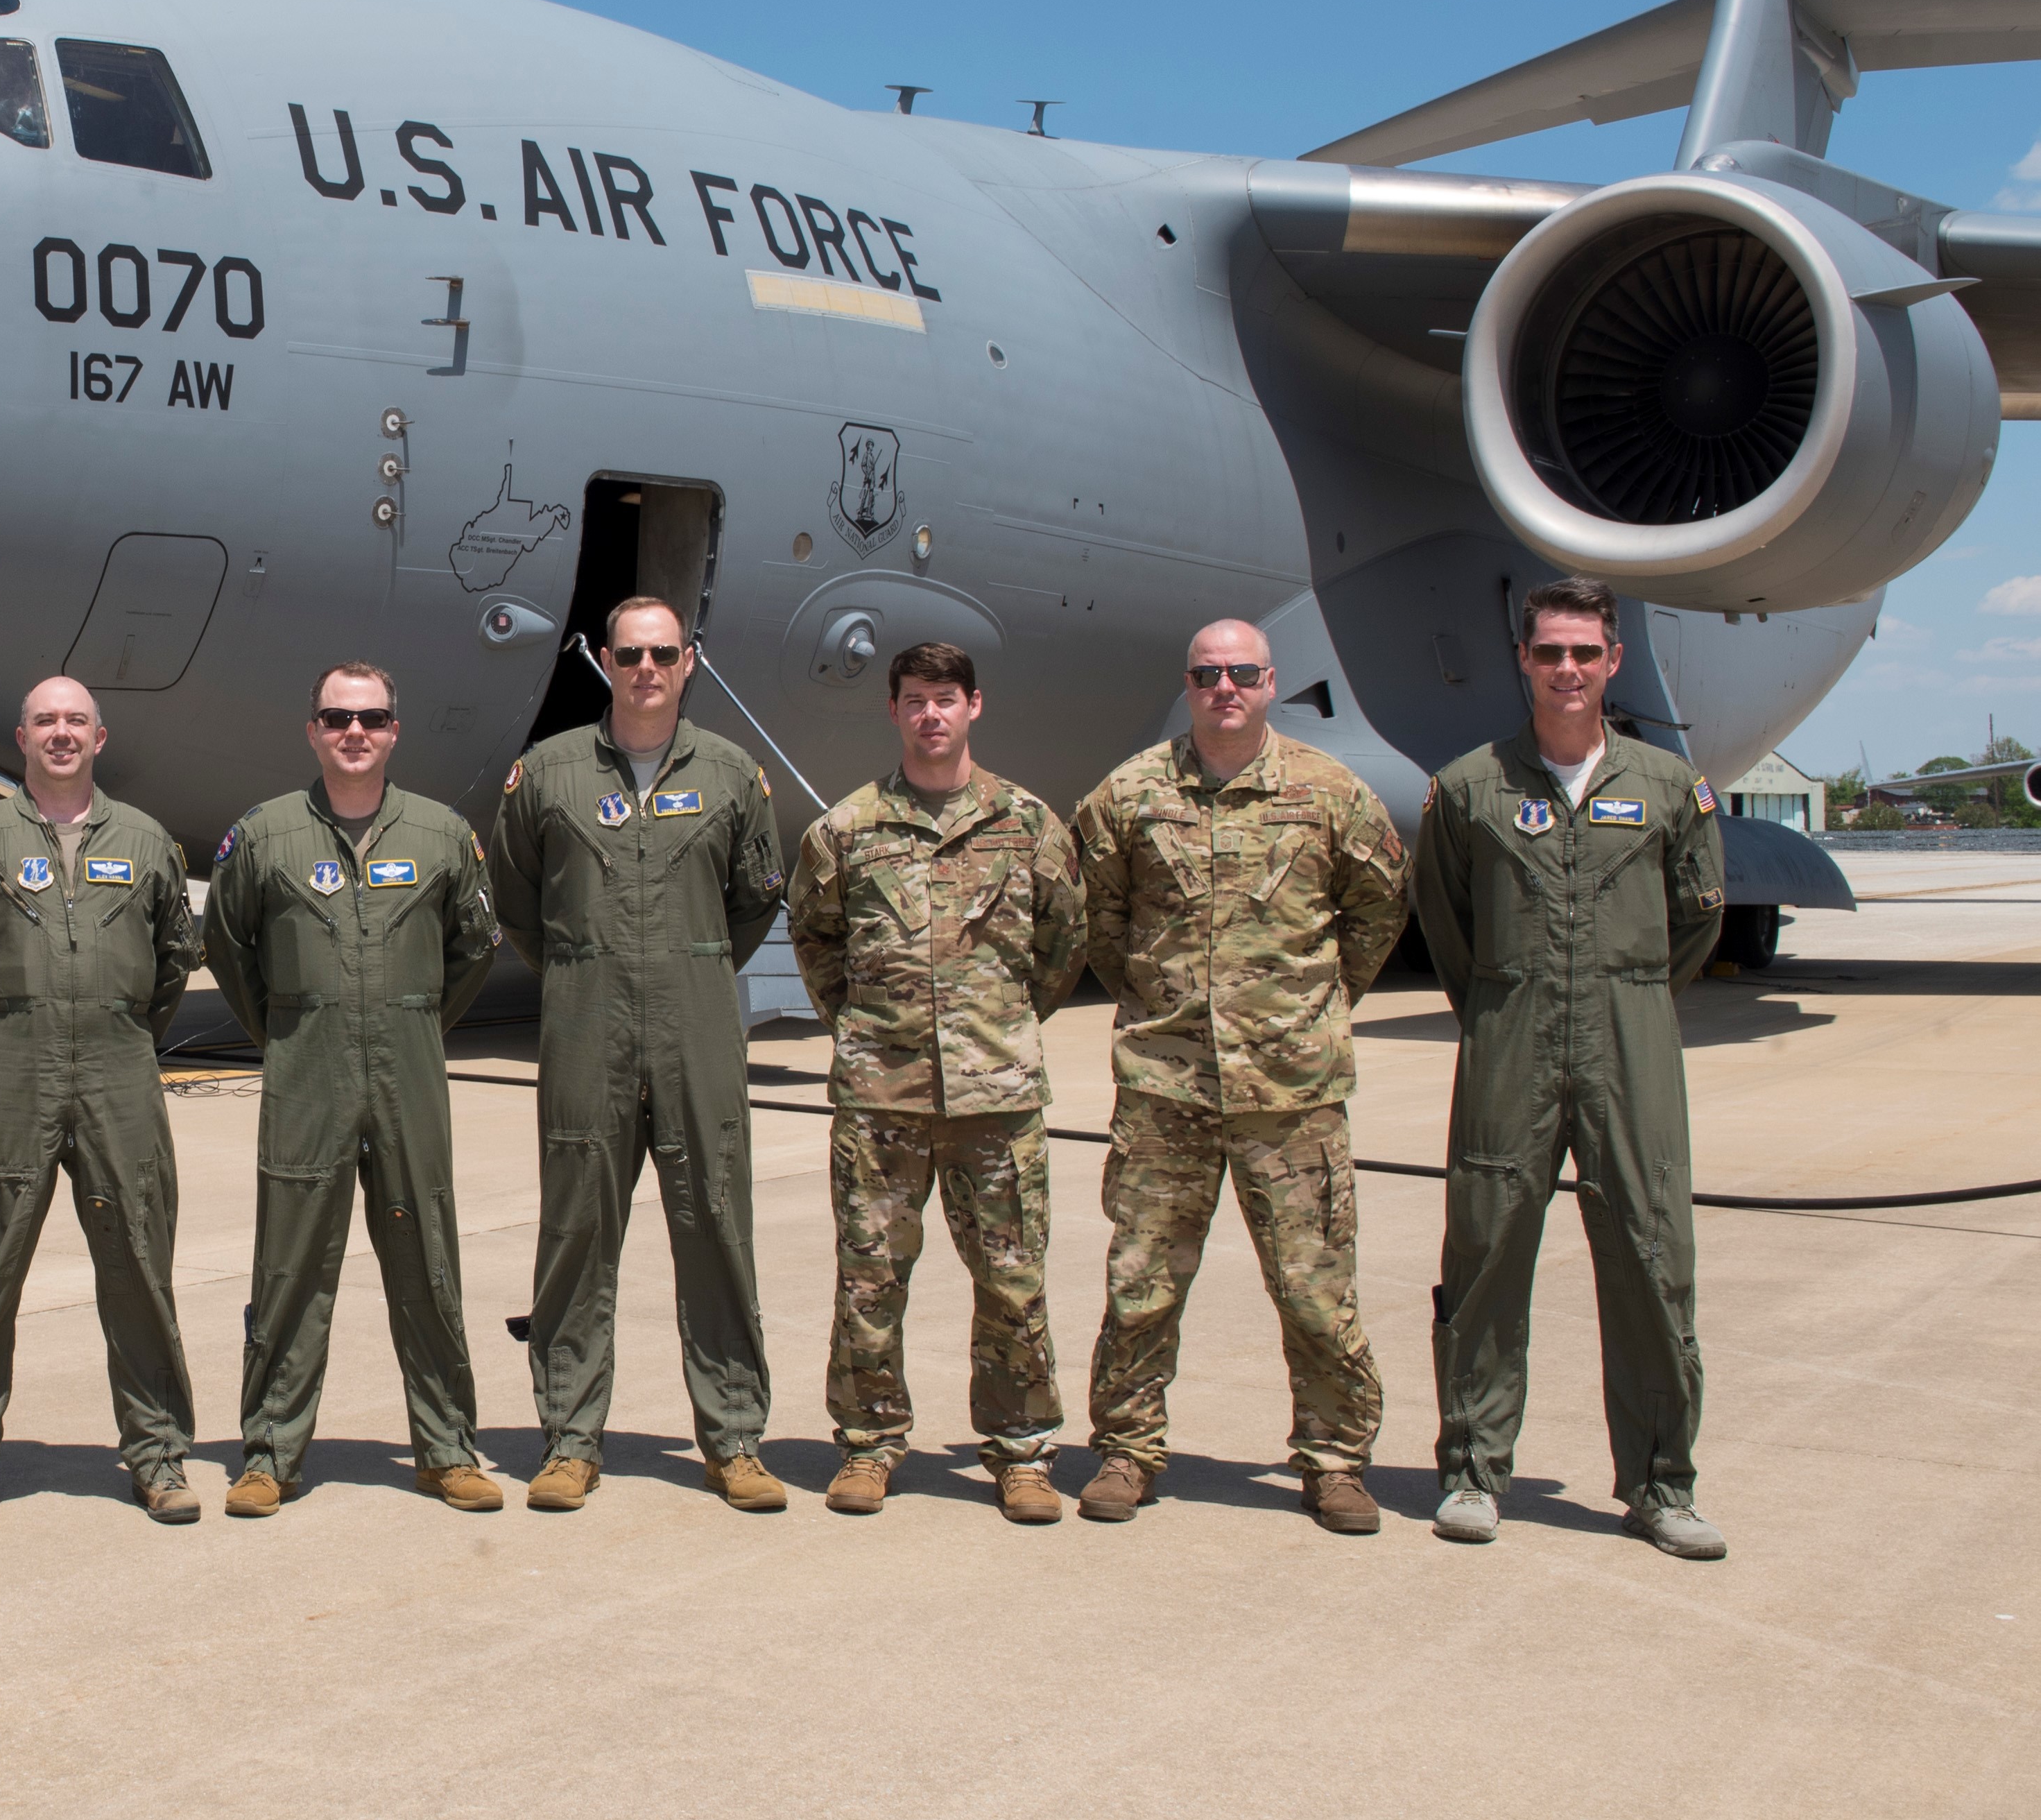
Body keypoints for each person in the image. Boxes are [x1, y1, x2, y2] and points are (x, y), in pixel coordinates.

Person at [1412, 575, 1729, 1558]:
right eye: (1549, 651)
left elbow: (1698, 917)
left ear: (1613, 661)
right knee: (1486, 1249)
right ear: (1522, 658)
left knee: (1650, 1253)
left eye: (1584, 652)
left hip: (1630, 1043)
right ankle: (1472, 1470)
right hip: (1509, 1038)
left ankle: (1660, 1484)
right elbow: (1446, 922)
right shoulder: (1471, 787)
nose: (1566, 669)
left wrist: (1623, 997)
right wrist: (1511, 1003)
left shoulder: (1668, 787)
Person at [1071, 621, 1407, 1531]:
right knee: (1142, 1279)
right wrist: (1155, 1002)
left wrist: (1316, 1003)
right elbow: (1097, 914)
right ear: (1188, 683)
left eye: (1243, 673)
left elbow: (1377, 907)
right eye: (1209, 673)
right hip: (1165, 1085)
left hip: (1290, 1091)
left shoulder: (1329, 791)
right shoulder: (1130, 794)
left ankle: (1335, 1460)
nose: (1226, 686)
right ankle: (1127, 1449)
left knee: (1314, 1285)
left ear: (1270, 683)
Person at [485, 596, 791, 1513]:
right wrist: (584, 969)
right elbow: (515, 898)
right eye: (630, 653)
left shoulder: (735, 776)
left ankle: (733, 1437)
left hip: (697, 1029)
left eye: (662, 652)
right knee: (575, 1234)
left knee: (717, 1232)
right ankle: (571, 1438)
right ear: (605, 661)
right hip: (587, 1031)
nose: (646, 668)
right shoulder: (547, 775)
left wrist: (690, 967)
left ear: (688, 659)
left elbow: (752, 902)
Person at [786, 640, 1087, 1522]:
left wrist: (991, 1030)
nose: (930, 715)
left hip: (995, 1099)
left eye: (944, 698)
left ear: (973, 706)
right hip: (881, 1101)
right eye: (914, 699)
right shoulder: (847, 830)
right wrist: (872, 1033)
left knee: (1011, 1280)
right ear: (893, 712)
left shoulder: (1028, 824)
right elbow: (817, 945)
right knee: (870, 1278)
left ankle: (1021, 1452)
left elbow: (1062, 951)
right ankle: (869, 1444)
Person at [203, 662, 506, 1516]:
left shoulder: (442, 835)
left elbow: (473, 948)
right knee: (290, 1266)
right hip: (306, 1077)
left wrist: (413, 1023)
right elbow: (228, 946)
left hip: (408, 1075)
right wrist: (292, 1032)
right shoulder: (265, 837)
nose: (353, 733)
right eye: (336, 718)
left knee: (428, 1264)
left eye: (370, 719)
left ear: (394, 731)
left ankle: (446, 1451)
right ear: (311, 730)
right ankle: (268, 1453)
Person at [0, 676, 204, 1527]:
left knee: (140, 1267)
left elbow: (170, 967)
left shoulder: (148, 842)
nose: (60, 734)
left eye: (75, 721)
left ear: (100, 737)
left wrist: (117, 1029)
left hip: (119, 1070)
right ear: (21, 736)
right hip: (8, 1068)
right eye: (45, 721)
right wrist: (8, 1033)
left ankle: (157, 1454)